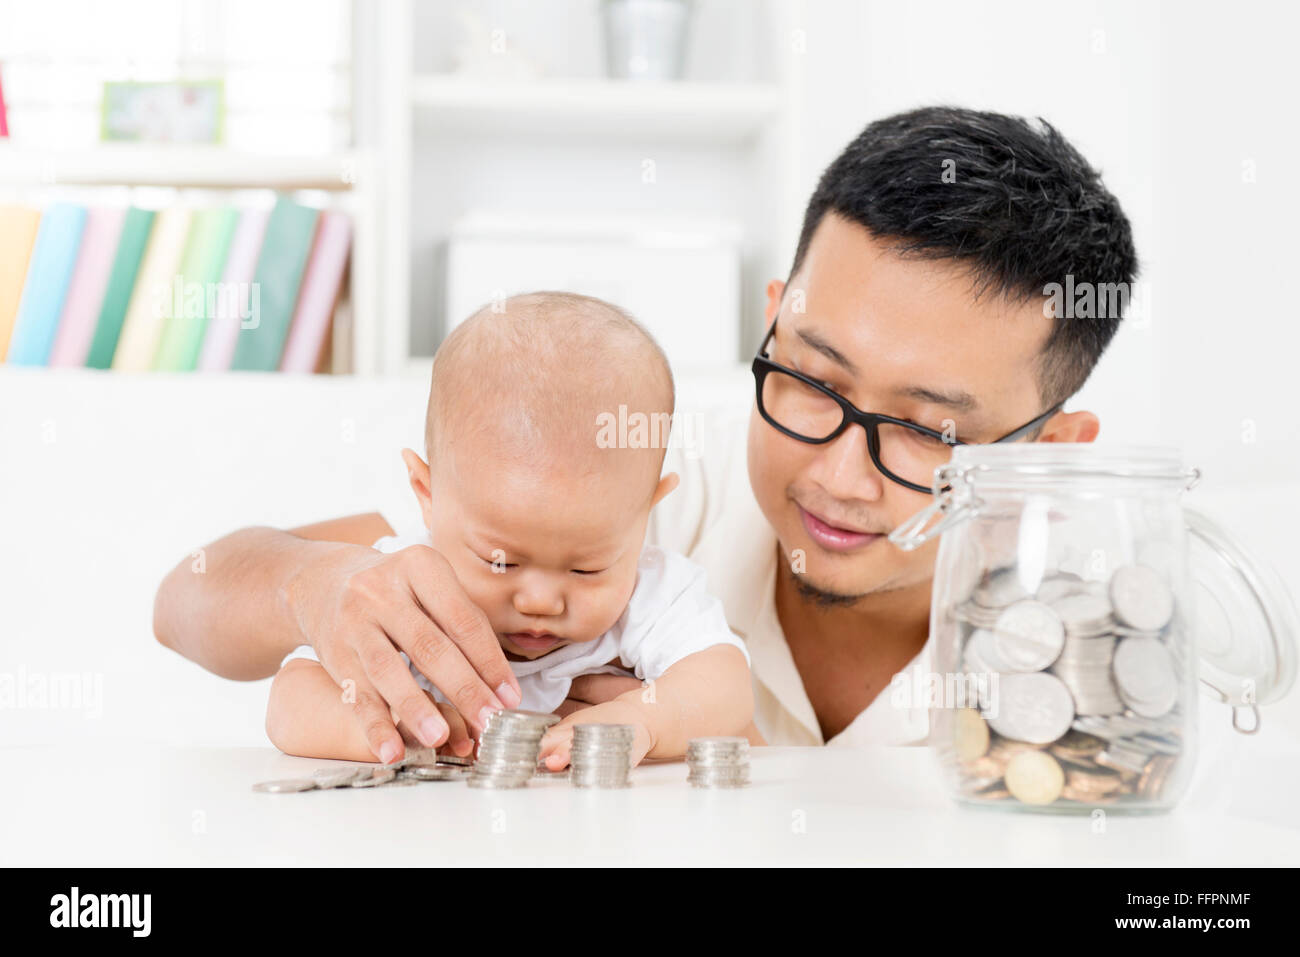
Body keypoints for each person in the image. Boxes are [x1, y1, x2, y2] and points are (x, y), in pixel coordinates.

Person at [153, 105, 1136, 757]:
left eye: (927, 432)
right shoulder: (623, 463)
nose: (839, 474)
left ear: (1049, 456)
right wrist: (309, 589)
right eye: (810, 377)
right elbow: (187, 603)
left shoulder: (1110, 650)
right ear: (773, 319)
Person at [264, 291, 753, 768]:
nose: (540, 601)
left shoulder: (653, 590)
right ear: (427, 495)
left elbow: (726, 685)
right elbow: (290, 699)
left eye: (586, 568)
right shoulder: (402, 583)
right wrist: (382, 730)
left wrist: (643, 719)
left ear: (645, 513)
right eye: (501, 561)